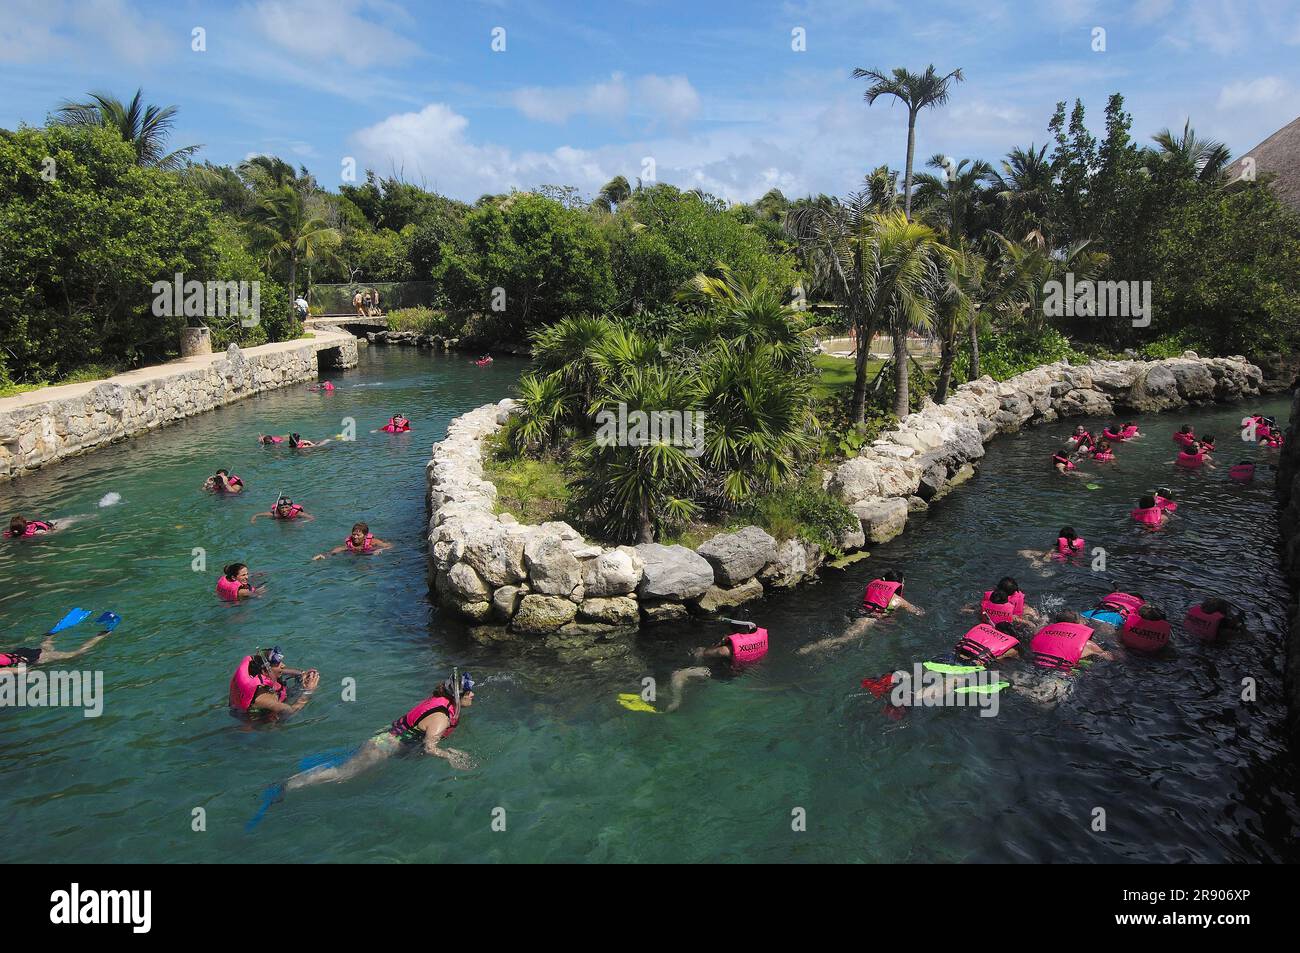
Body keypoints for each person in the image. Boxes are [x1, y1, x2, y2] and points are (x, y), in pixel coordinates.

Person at [281, 671, 478, 795]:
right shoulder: (441, 718)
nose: (472, 694)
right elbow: (429, 747)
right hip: (381, 748)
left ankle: (298, 780)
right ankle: (292, 784)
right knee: (343, 775)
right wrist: (450, 756)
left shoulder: (440, 701)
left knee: (350, 770)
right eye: (468, 692)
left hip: (381, 741)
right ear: (457, 696)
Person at [798, 571, 923, 654]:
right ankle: (810, 648)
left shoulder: (871, 588)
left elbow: (859, 601)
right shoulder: (898, 600)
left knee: (842, 640)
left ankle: (823, 650)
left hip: (852, 614)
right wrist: (925, 610)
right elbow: (916, 612)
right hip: (866, 619)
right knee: (844, 639)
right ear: (898, 584)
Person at [662, 620, 770, 712]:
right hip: (748, 670)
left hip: (725, 674)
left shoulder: (725, 650)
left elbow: (708, 653)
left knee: (678, 674)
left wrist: (701, 650)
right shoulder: (758, 639)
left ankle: (675, 702)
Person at [1, 609, 120, 668]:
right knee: (45, 648)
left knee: (75, 654)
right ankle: (52, 633)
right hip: (20, 652)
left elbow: (21, 671)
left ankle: (104, 633)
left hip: (31, 658)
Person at [228, 646, 320, 718]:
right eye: (277, 664)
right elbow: (291, 712)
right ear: (265, 671)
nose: (283, 665)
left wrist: (302, 674)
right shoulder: (264, 699)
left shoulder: (257, 672)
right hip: (260, 723)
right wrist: (309, 691)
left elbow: (280, 671)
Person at [313, 522, 392, 559]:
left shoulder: (373, 541)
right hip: (358, 554)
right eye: (354, 534)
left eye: (358, 535)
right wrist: (324, 555)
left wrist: (380, 549)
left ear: (365, 536)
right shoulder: (350, 543)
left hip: (370, 553)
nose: (355, 537)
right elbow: (338, 549)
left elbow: (390, 545)